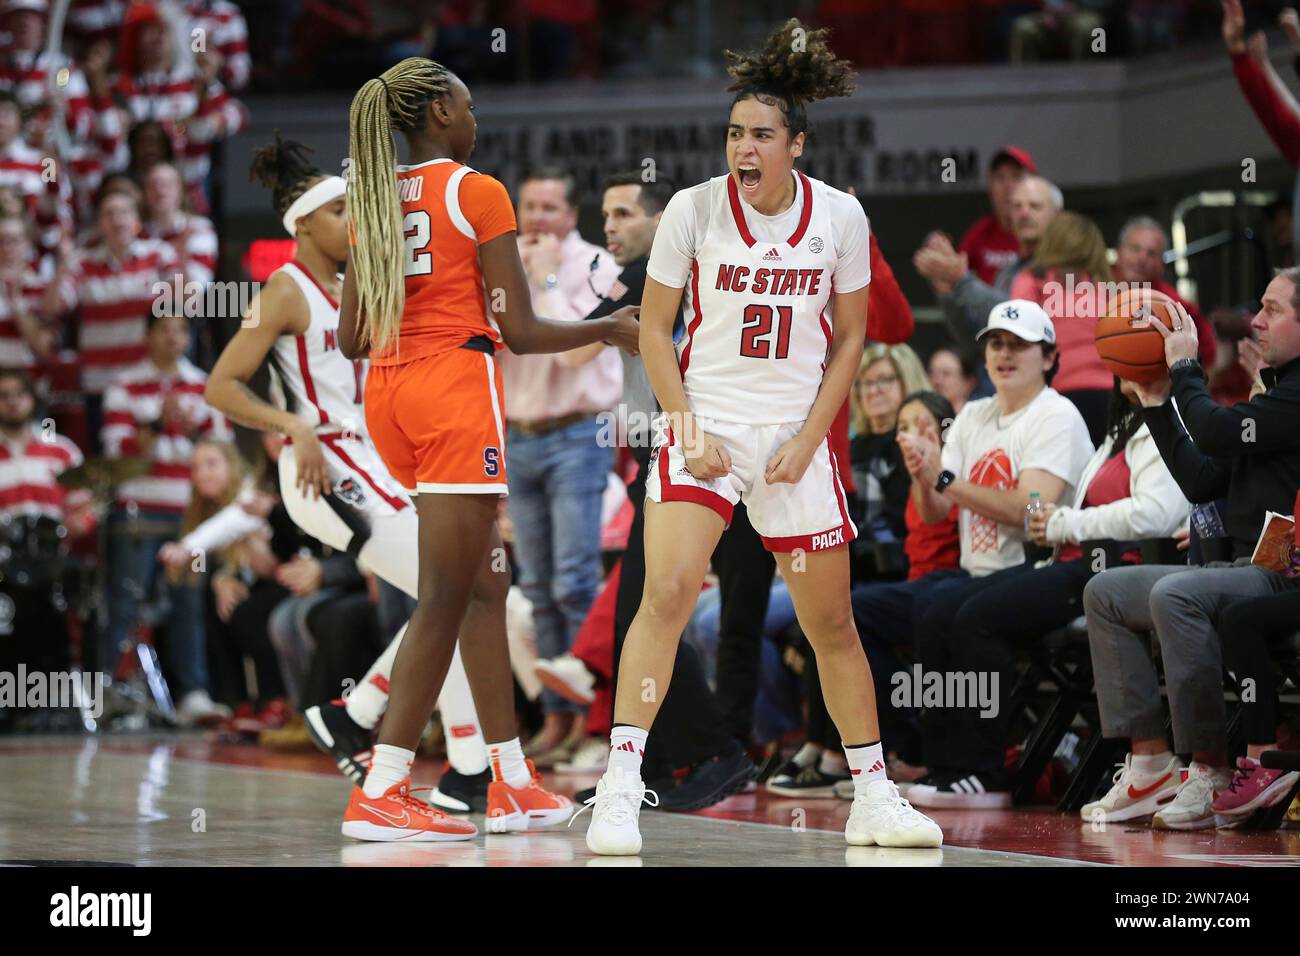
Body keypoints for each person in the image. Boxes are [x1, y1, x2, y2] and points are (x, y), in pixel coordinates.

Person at [578, 19, 942, 855]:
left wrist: (812, 438)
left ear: (796, 144)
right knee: (666, 596)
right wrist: (684, 428)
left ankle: (874, 795)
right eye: (735, 133)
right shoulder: (692, 208)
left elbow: (853, 339)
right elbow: (654, 329)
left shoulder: (840, 216)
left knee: (833, 624)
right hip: (704, 421)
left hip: (792, 437)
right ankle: (620, 789)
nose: (745, 148)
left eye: (762, 135)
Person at [337, 57, 639, 841]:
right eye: (469, 106)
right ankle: (384, 787)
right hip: (453, 392)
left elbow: (350, 338)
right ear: (441, 111)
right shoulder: (477, 191)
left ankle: (511, 780)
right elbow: (522, 331)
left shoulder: (375, 197)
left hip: (389, 394)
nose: (476, 120)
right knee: (444, 596)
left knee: (484, 586)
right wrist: (610, 327)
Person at [204, 133, 495, 813]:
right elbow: (221, 384)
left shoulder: (356, 287)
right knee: (449, 595)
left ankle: (376, 724)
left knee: (453, 596)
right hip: (326, 469)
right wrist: (294, 426)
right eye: (340, 212)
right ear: (303, 223)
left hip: (376, 458)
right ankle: (454, 760)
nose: (353, 224)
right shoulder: (285, 288)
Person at [1081, 268, 1300, 830]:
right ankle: (1151, 764)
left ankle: (1208, 769)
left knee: (1177, 594)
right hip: (1239, 566)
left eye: (1273, 309)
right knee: (1106, 592)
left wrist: (1183, 368)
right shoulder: (1275, 393)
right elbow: (1204, 480)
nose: (1256, 321)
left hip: (1283, 572)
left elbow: (1216, 432)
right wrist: (1156, 403)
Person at [906, 376, 1188, 808]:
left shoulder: (1141, 422)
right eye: (996, 345)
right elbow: (1045, 511)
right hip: (1064, 558)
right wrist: (1051, 521)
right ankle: (945, 765)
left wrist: (1060, 521)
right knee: (938, 614)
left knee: (977, 619)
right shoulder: (1119, 429)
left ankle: (984, 773)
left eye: (1017, 346)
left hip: (1109, 566)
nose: (1004, 356)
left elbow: (1146, 514)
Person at [497, 166, 623, 762]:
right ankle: (557, 717)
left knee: (574, 581)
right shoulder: (499, 262)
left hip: (578, 432)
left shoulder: (597, 264)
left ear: (572, 215)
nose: (539, 218)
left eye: (551, 208)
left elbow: (574, 353)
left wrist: (545, 278)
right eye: (530, 206)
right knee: (537, 587)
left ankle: (593, 722)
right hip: (518, 435)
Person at [101, 311, 229, 723]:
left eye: (181, 330)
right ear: (148, 336)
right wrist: (157, 424)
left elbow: (222, 451)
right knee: (126, 602)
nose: (173, 337)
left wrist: (192, 433)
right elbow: (117, 452)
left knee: (188, 603)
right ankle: (110, 693)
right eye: (164, 330)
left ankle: (193, 693)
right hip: (137, 512)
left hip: (188, 515)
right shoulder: (124, 385)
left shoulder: (205, 385)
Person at [1009, 210, 1115, 443]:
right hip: (1110, 397)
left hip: (1055, 397)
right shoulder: (1105, 285)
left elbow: (1017, 335)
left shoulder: (1031, 280)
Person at [1111, 216, 1215, 366]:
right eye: (1135, 249)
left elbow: (1209, 356)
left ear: (1161, 265)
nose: (1141, 258)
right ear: (1118, 252)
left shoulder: (1174, 305)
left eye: (1151, 253)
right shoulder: (1090, 289)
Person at [956, 146, 1036, 286]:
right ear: (990, 186)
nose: (1008, 186)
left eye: (1016, 177)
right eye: (1000, 177)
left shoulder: (1048, 235)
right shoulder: (981, 232)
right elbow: (956, 285)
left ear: (1035, 186)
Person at [927, 345, 978, 414]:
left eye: (946, 373)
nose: (937, 381)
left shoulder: (979, 418)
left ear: (969, 383)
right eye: (931, 373)